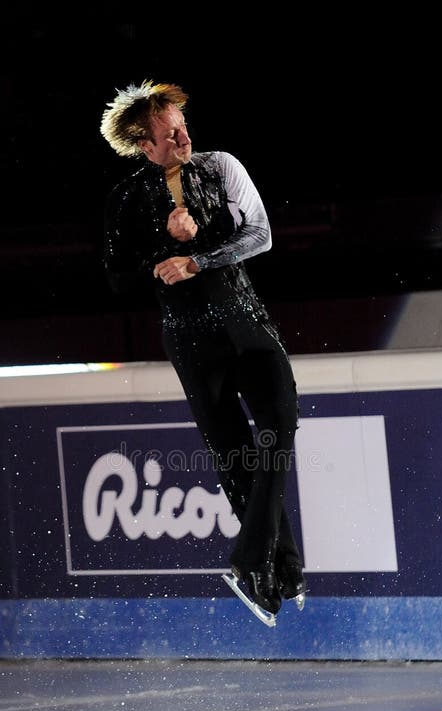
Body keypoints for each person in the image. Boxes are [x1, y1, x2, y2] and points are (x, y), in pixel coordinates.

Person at [100, 79, 306, 623]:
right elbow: (117, 279)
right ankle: (278, 569)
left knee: (280, 426)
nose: (184, 137)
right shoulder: (125, 199)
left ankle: (251, 558)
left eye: (184, 126)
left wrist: (200, 257)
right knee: (236, 459)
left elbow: (260, 235)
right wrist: (160, 248)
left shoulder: (220, 167)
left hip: (247, 322)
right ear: (146, 144)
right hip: (192, 340)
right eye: (170, 133)